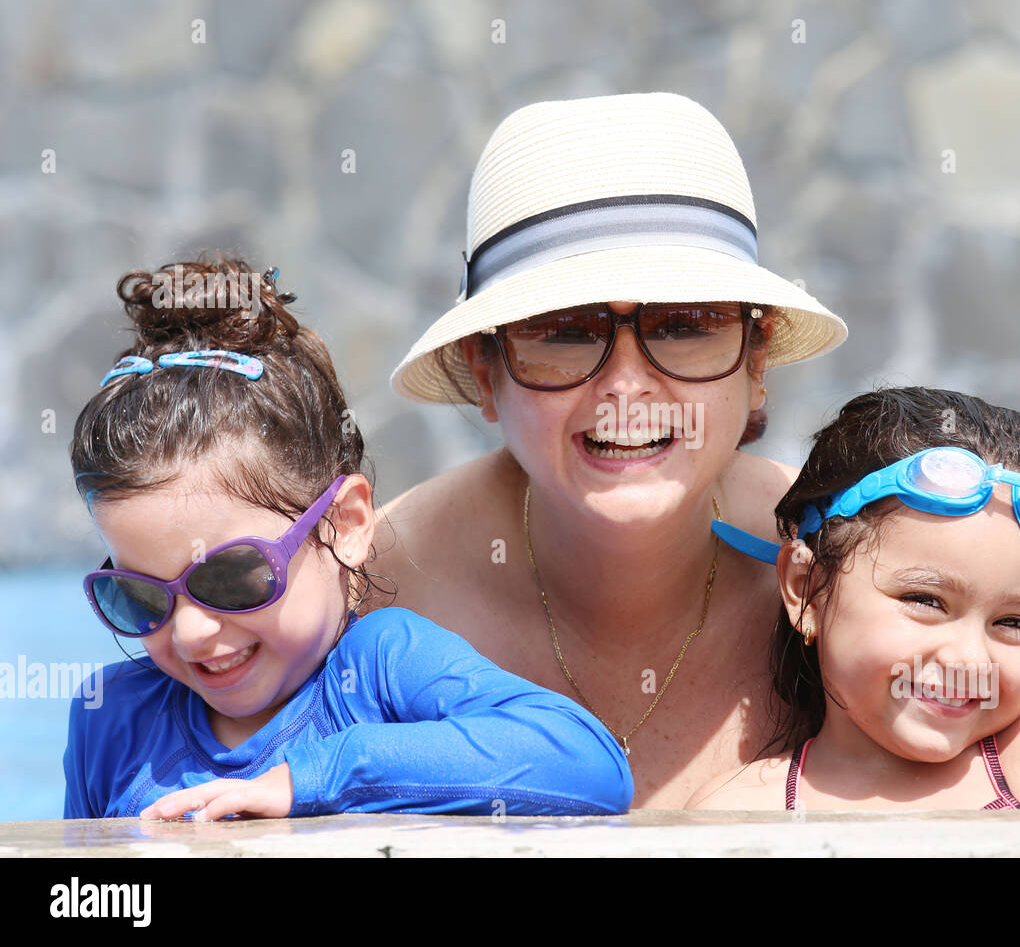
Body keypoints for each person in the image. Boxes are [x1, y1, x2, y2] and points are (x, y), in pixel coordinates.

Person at [377, 92, 848, 806]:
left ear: (757, 362)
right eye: (565, 331)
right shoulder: (378, 587)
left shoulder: (847, 570)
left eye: (686, 324)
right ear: (484, 370)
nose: (626, 386)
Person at [64, 257, 633, 820]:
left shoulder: (380, 671)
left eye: (230, 578)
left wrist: (324, 775)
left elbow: (588, 763)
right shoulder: (112, 721)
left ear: (345, 525)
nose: (189, 633)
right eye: (137, 597)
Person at [686, 387, 1020, 810]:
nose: (969, 659)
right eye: (925, 601)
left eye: (1016, 623)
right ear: (806, 588)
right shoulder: (742, 813)